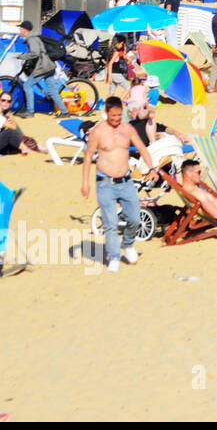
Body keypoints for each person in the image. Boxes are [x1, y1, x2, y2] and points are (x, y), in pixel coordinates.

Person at [80, 97, 156, 272]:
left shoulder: (127, 129)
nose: (116, 118)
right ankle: (114, 256)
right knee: (110, 222)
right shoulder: (98, 132)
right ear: (106, 113)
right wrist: (85, 182)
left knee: (135, 218)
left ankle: (128, 243)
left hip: (126, 181)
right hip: (105, 182)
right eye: (112, 115)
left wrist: (152, 168)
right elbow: (88, 156)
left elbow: (143, 149)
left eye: (118, 115)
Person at [16, 20, 68, 117]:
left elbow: (35, 53)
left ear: (24, 29)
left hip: (43, 67)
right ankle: (65, 112)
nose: (20, 30)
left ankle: (30, 111)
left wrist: (20, 56)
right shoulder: (34, 38)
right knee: (51, 90)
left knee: (27, 85)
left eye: (21, 29)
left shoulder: (32, 39)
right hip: (49, 66)